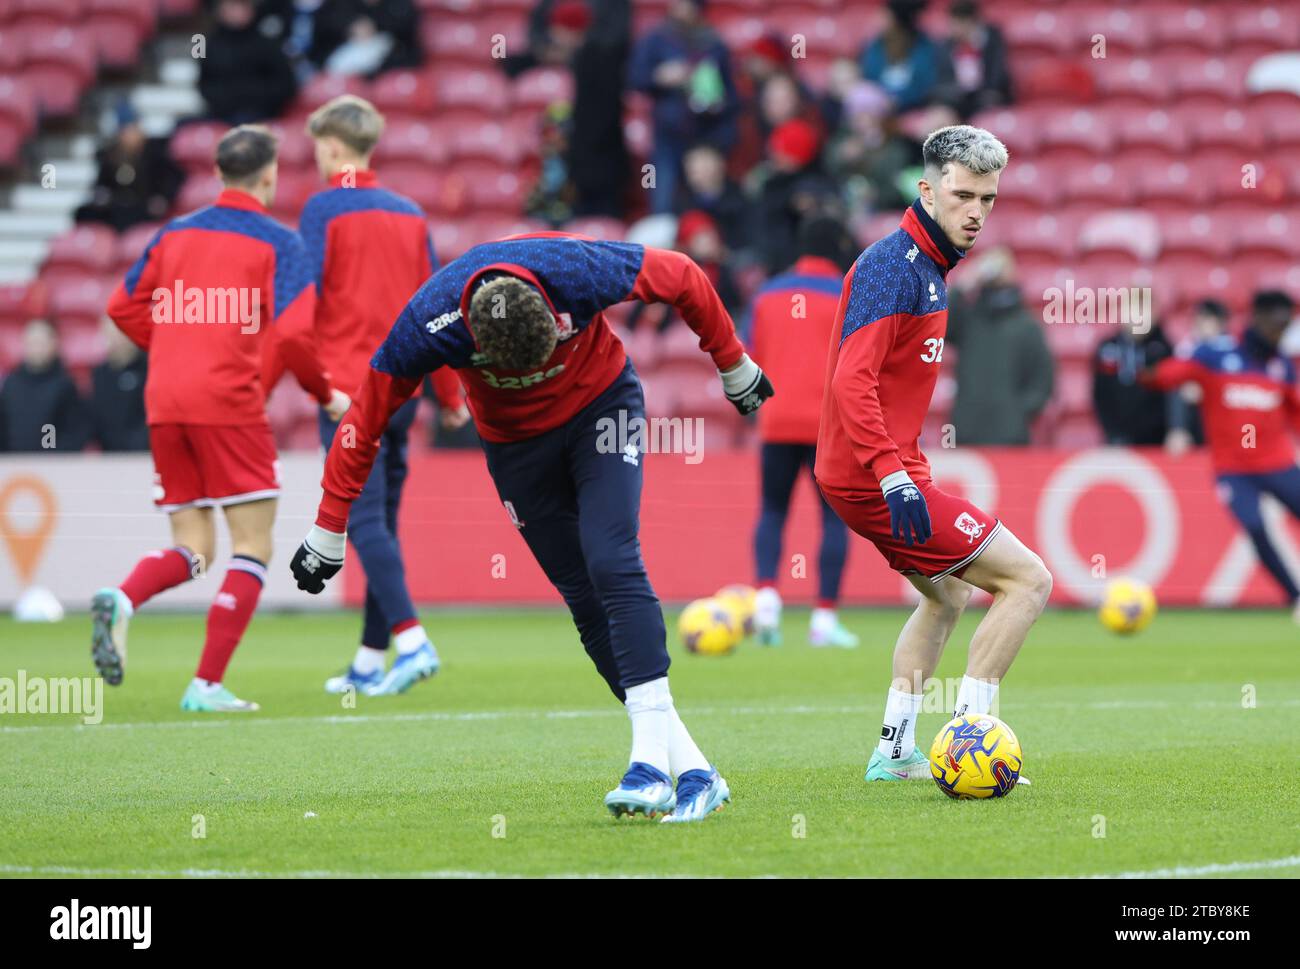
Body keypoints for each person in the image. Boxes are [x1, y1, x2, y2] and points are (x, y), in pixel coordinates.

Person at [288, 232, 774, 821]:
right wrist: (327, 527)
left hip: (603, 409)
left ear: (554, 311)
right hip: (517, 447)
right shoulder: (428, 321)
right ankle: (695, 771)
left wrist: (733, 362)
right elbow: (362, 420)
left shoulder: (577, 268)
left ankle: (647, 761)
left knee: (611, 556)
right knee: (584, 600)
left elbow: (684, 276)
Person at [815, 125, 1052, 783]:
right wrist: (892, 476)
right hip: (873, 474)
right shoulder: (895, 266)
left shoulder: (930, 267)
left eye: (988, 199)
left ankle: (893, 751)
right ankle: (971, 742)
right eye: (963, 195)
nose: (975, 211)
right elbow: (849, 380)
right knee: (1028, 580)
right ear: (927, 190)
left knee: (947, 595)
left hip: (877, 468)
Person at [95, 125, 348, 713]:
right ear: (268, 176)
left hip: (164, 402)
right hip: (228, 402)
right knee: (253, 543)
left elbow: (120, 305)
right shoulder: (280, 243)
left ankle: (124, 598)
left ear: (217, 173)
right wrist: (325, 392)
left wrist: (174, 346)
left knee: (193, 548)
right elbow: (292, 334)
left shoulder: (174, 232)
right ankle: (205, 684)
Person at [296, 95, 468, 696]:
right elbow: (437, 307)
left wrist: (316, 383)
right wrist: (448, 392)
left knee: (361, 522)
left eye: (319, 147)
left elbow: (304, 299)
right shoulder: (410, 215)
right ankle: (371, 660)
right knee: (383, 526)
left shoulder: (323, 209)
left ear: (336, 148)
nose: (317, 158)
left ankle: (413, 640)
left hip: (350, 394)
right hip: (404, 391)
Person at [1145, 291, 1300, 620]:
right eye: (1276, 326)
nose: (1280, 334)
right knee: (1255, 527)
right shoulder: (1215, 355)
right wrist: (1149, 355)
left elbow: (1295, 413)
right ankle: (1295, 596)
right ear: (1258, 319)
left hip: (1278, 462)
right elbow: (1166, 375)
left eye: (1285, 327)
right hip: (1233, 469)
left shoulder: (1281, 366)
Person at [747, 216, 860, 648]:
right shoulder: (847, 295)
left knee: (772, 510)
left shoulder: (768, 294)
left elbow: (747, 354)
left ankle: (766, 604)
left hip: (775, 420)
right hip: (828, 426)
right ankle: (824, 619)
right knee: (832, 518)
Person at [629, 0, 739, 214]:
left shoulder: (713, 44)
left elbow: (731, 96)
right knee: (662, 198)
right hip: (667, 135)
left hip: (705, 134)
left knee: (705, 203)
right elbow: (635, 78)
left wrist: (717, 101)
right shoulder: (657, 39)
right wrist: (659, 77)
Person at [946, 245, 1053, 445]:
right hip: (965, 435)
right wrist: (963, 285)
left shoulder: (1027, 326)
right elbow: (938, 325)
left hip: (1010, 440)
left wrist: (1015, 415)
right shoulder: (970, 319)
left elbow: (1043, 382)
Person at [75, 101, 184, 233]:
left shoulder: (156, 152)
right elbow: (101, 185)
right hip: (118, 206)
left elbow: (170, 180)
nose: (128, 135)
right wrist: (101, 194)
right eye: (124, 131)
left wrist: (163, 198)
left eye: (131, 129)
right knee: (84, 212)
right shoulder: (110, 155)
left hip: (145, 205)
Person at [198, 0, 299, 125]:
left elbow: (285, 85)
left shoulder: (268, 45)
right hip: (221, 113)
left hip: (260, 113)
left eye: (241, 7)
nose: (237, 12)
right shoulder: (208, 44)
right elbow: (205, 84)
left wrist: (252, 98)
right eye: (231, 7)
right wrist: (225, 101)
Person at [0, 320, 89, 452]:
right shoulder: (11, 384)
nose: (37, 348)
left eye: (42, 343)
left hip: (51, 466)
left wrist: (51, 455)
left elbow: (73, 432)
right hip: (13, 466)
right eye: (32, 343)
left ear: (54, 344)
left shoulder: (65, 385)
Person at [1092, 313, 1174, 446]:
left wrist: (1172, 428)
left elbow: (1170, 392)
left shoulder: (1163, 349)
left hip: (1157, 439)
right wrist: (1112, 431)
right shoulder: (1107, 349)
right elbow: (1100, 393)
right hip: (1118, 437)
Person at [938, 0, 1013, 118]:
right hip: (960, 98)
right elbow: (945, 79)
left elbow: (998, 75)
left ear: (970, 22)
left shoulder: (992, 40)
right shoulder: (948, 46)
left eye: (957, 23)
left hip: (986, 96)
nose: (953, 29)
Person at [89, 317, 150, 452]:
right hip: (109, 456)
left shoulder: (149, 369)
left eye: (119, 333)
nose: (115, 340)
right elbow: (95, 417)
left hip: (143, 455)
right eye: (110, 334)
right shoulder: (99, 374)